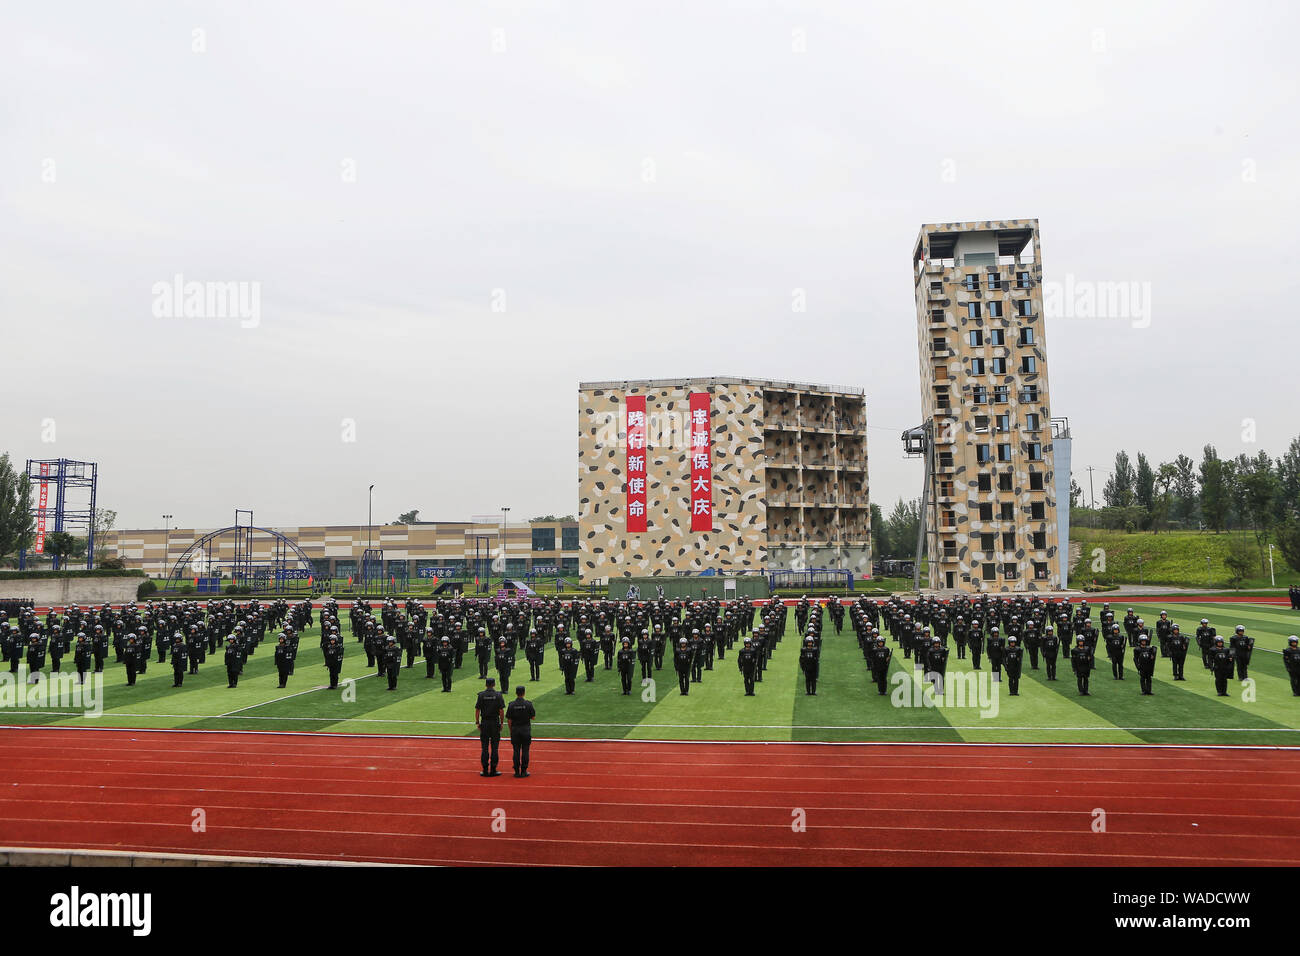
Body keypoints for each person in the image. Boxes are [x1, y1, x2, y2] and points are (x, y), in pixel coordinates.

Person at [475, 678, 506, 777]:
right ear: (494, 684)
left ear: (486, 684)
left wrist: (477, 722)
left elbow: (477, 710)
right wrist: (501, 723)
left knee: (484, 748)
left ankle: (484, 769)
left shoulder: (481, 695)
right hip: (494, 722)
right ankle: (493, 769)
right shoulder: (498, 695)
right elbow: (501, 711)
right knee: (494, 747)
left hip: (485, 722)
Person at [506, 686, 536, 778]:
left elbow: (509, 720)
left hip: (515, 730)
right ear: (524, 693)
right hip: (525, 730)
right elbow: (533, 717)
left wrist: (511, 730)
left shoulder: (511, 705)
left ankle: (516, 771)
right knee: (525, 750)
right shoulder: (528, 704)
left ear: (516, 693)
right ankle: (524, 771)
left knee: (516, 751)